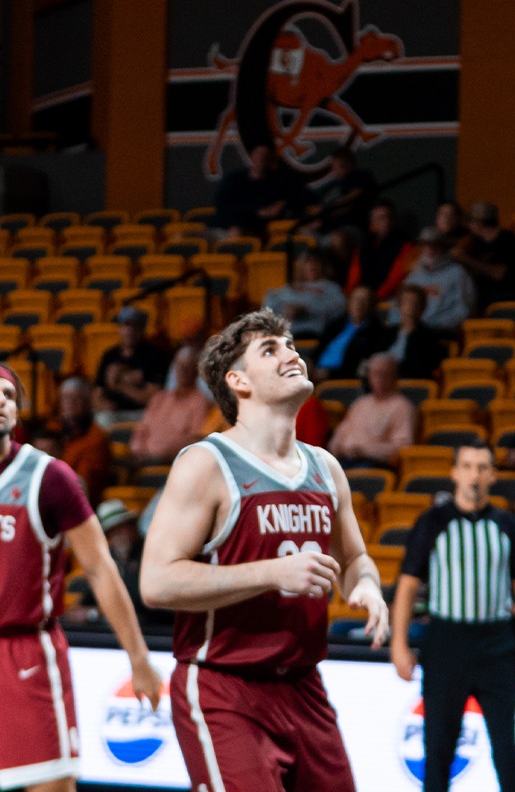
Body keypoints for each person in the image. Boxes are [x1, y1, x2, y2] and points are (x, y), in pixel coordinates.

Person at [141, 309, 388, 792]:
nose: (290, 354)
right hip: (223, 684)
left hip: (304, 685)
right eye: (270, 349)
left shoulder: (325, 467)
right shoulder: (206, 464)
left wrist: (368, 588)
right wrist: (271, 573)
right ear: (238, 381)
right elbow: (156, 581)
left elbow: (355, 559)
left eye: (291, 344)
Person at [0, 361, 160, 791]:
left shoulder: (49, 476)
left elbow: (101, 570)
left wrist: (139, 659)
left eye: (9, 396)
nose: (1, 401)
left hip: (27, 651)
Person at [391, 443, 515, 792]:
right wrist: (399, 644)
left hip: (498, 644)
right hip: (446, 644)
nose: (475, 474)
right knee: (439, 747)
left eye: (482, 467)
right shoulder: (432, 523)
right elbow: (407, 587)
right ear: (455, 472)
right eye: (468, 466)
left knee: (505, 746)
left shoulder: (506, 525)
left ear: (492, 474)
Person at [330, 353, 418, 468]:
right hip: (345, 460)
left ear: (395, 376)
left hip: (374, 465)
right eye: (375, 374)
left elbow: (403, 447)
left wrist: (366, 450)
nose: (379, 379)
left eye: (384, 374)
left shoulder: (403, 406)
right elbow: (339, 437)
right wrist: (336, 449)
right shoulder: (360, 404)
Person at [129, 347, 213, 463]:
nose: (182, 371)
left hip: (169, 463)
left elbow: (194, 439)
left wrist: (162, 453)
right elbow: (142, 429)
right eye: (179, 366)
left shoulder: (200, 403)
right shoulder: (159, 398)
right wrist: (138, 449)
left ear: (196, 371)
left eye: (187, 367)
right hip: (142, 459)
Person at [212, 144, 307, 237]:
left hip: (253, 231)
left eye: (265, 155)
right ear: (251, 156)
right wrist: (256, 211)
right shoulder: (234, 180)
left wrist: (282, 204)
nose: (261, 159)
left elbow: (302, 197)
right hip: (226, 225)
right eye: (258, 154)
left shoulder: (278, 182)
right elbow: (223, 206)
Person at [395, 228, 478, 333]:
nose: (430, 249)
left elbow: (463, 310)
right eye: (426, 245)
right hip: (409, 332)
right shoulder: (413, 277)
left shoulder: (458, 274)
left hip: (440, 334)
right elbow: (397, 307)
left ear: (443, 248)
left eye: (435, 245)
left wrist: (431, 325)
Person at [94, 306, 170, 416]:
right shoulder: (109, 356)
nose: (130, 331)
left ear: (142, 329)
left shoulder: (154, 356)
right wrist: (103, 405)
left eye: (135, 326)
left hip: (142, 412)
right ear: (119, 328)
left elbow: (153, 399)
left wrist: (120, 385)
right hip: (112, 413)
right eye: (126, 325)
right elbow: (97, 394)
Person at [457, 200, 515, 308]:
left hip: (512, 300)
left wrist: (463, 258)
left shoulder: (509, 241)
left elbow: (498, 273)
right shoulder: (476, 243)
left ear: (478, 223)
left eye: (470, 221)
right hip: (485, 301)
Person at [48, 379, 112, 501]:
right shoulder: (51, 431)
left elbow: (82, 485)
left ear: (87, 403)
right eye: (66, 398)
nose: (70, 403)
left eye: (77, 398)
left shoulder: (96, 439)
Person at [315, 286, 396, 382]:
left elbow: (359, 367)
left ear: (372, 305)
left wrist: (329, 373)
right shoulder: (335, 325)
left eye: (364, 300)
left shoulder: (379, 333)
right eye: (355, 299)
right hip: (315, 374)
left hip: (340, 381)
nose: (359, 304)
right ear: (349, 302)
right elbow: (318, 351)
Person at [263, 250, 345, 341]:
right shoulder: (290, 287)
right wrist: (285, 309)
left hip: (316, 335)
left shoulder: (331, 287)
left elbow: (339, 310)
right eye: (308, 262)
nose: (312, 265)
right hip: (287, 336)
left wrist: (307, 309)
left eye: (316, 262)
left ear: (323, 266)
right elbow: (269, 306)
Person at [347, 200, 416, 296]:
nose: (386, 221)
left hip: (388, 298)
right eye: (381, 218)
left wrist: (375, 297)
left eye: (389, 217)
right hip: (362, 297)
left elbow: (396, 279)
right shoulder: (365, 244)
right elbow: (354, 276)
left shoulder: (406, 244)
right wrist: (352, 295)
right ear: (372, 222)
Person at [383, 285, 449, 382]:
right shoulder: (387, 333)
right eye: (406, 302)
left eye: (415, 303)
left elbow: (421, 368)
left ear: (422, 307)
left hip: (410, 384)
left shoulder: (428, 336)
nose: (410, 307)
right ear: (399, 306)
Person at [317, 145, 377, 233]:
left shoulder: (360, 176)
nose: (337, 167)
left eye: (342, 164)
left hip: (350, 228)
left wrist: (324, 212)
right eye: (335, 164)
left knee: (338, 239)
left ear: (352, 163)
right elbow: (316, 209)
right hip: (326, 230)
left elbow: (351, 200)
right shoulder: (328, 187)